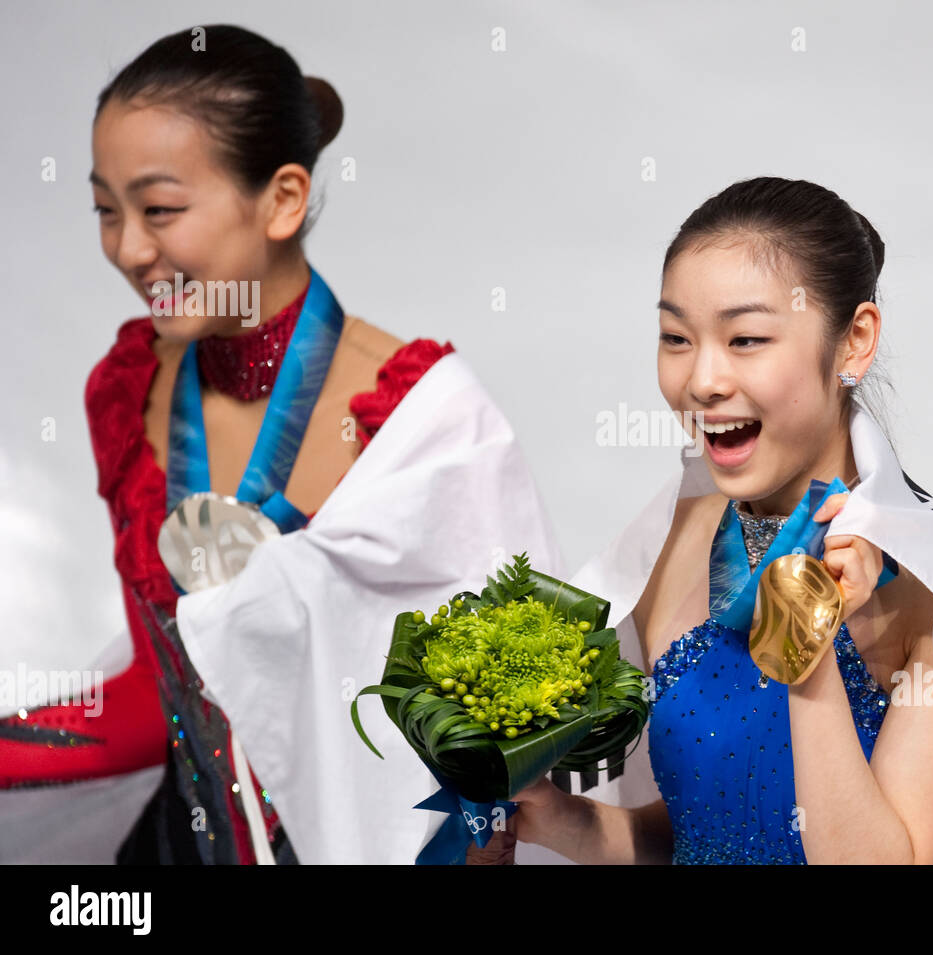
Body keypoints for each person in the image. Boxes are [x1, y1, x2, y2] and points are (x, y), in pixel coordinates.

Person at [0, 24, 560, 865]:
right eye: (106, 212)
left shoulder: (423, 424)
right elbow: (164, 697)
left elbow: (512, 735)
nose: (127, 249)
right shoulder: (127, 395)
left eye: (158, 210)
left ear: (284, 199)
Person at [508, 177, 933, 864]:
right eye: (676, 337)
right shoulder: (675, 541)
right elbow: (709, 831)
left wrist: (805, 652)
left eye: (746, 338)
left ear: (855, 341)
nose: (702, 379)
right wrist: (559, 819)